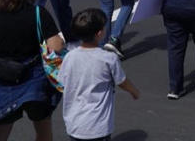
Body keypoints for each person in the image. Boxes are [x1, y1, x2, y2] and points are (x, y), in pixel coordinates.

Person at [0, 0, 64, 141]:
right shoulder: (38, 13)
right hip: (34, 78)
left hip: (3, 77)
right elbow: (56, 47)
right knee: (43, 129)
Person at [59, 8, 140, 140]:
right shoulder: (108, 58)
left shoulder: (69, 57)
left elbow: (62, 81)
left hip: (74, 124)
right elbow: (122, 81)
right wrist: (134, 91)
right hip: (98, 126)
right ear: (100, 33)